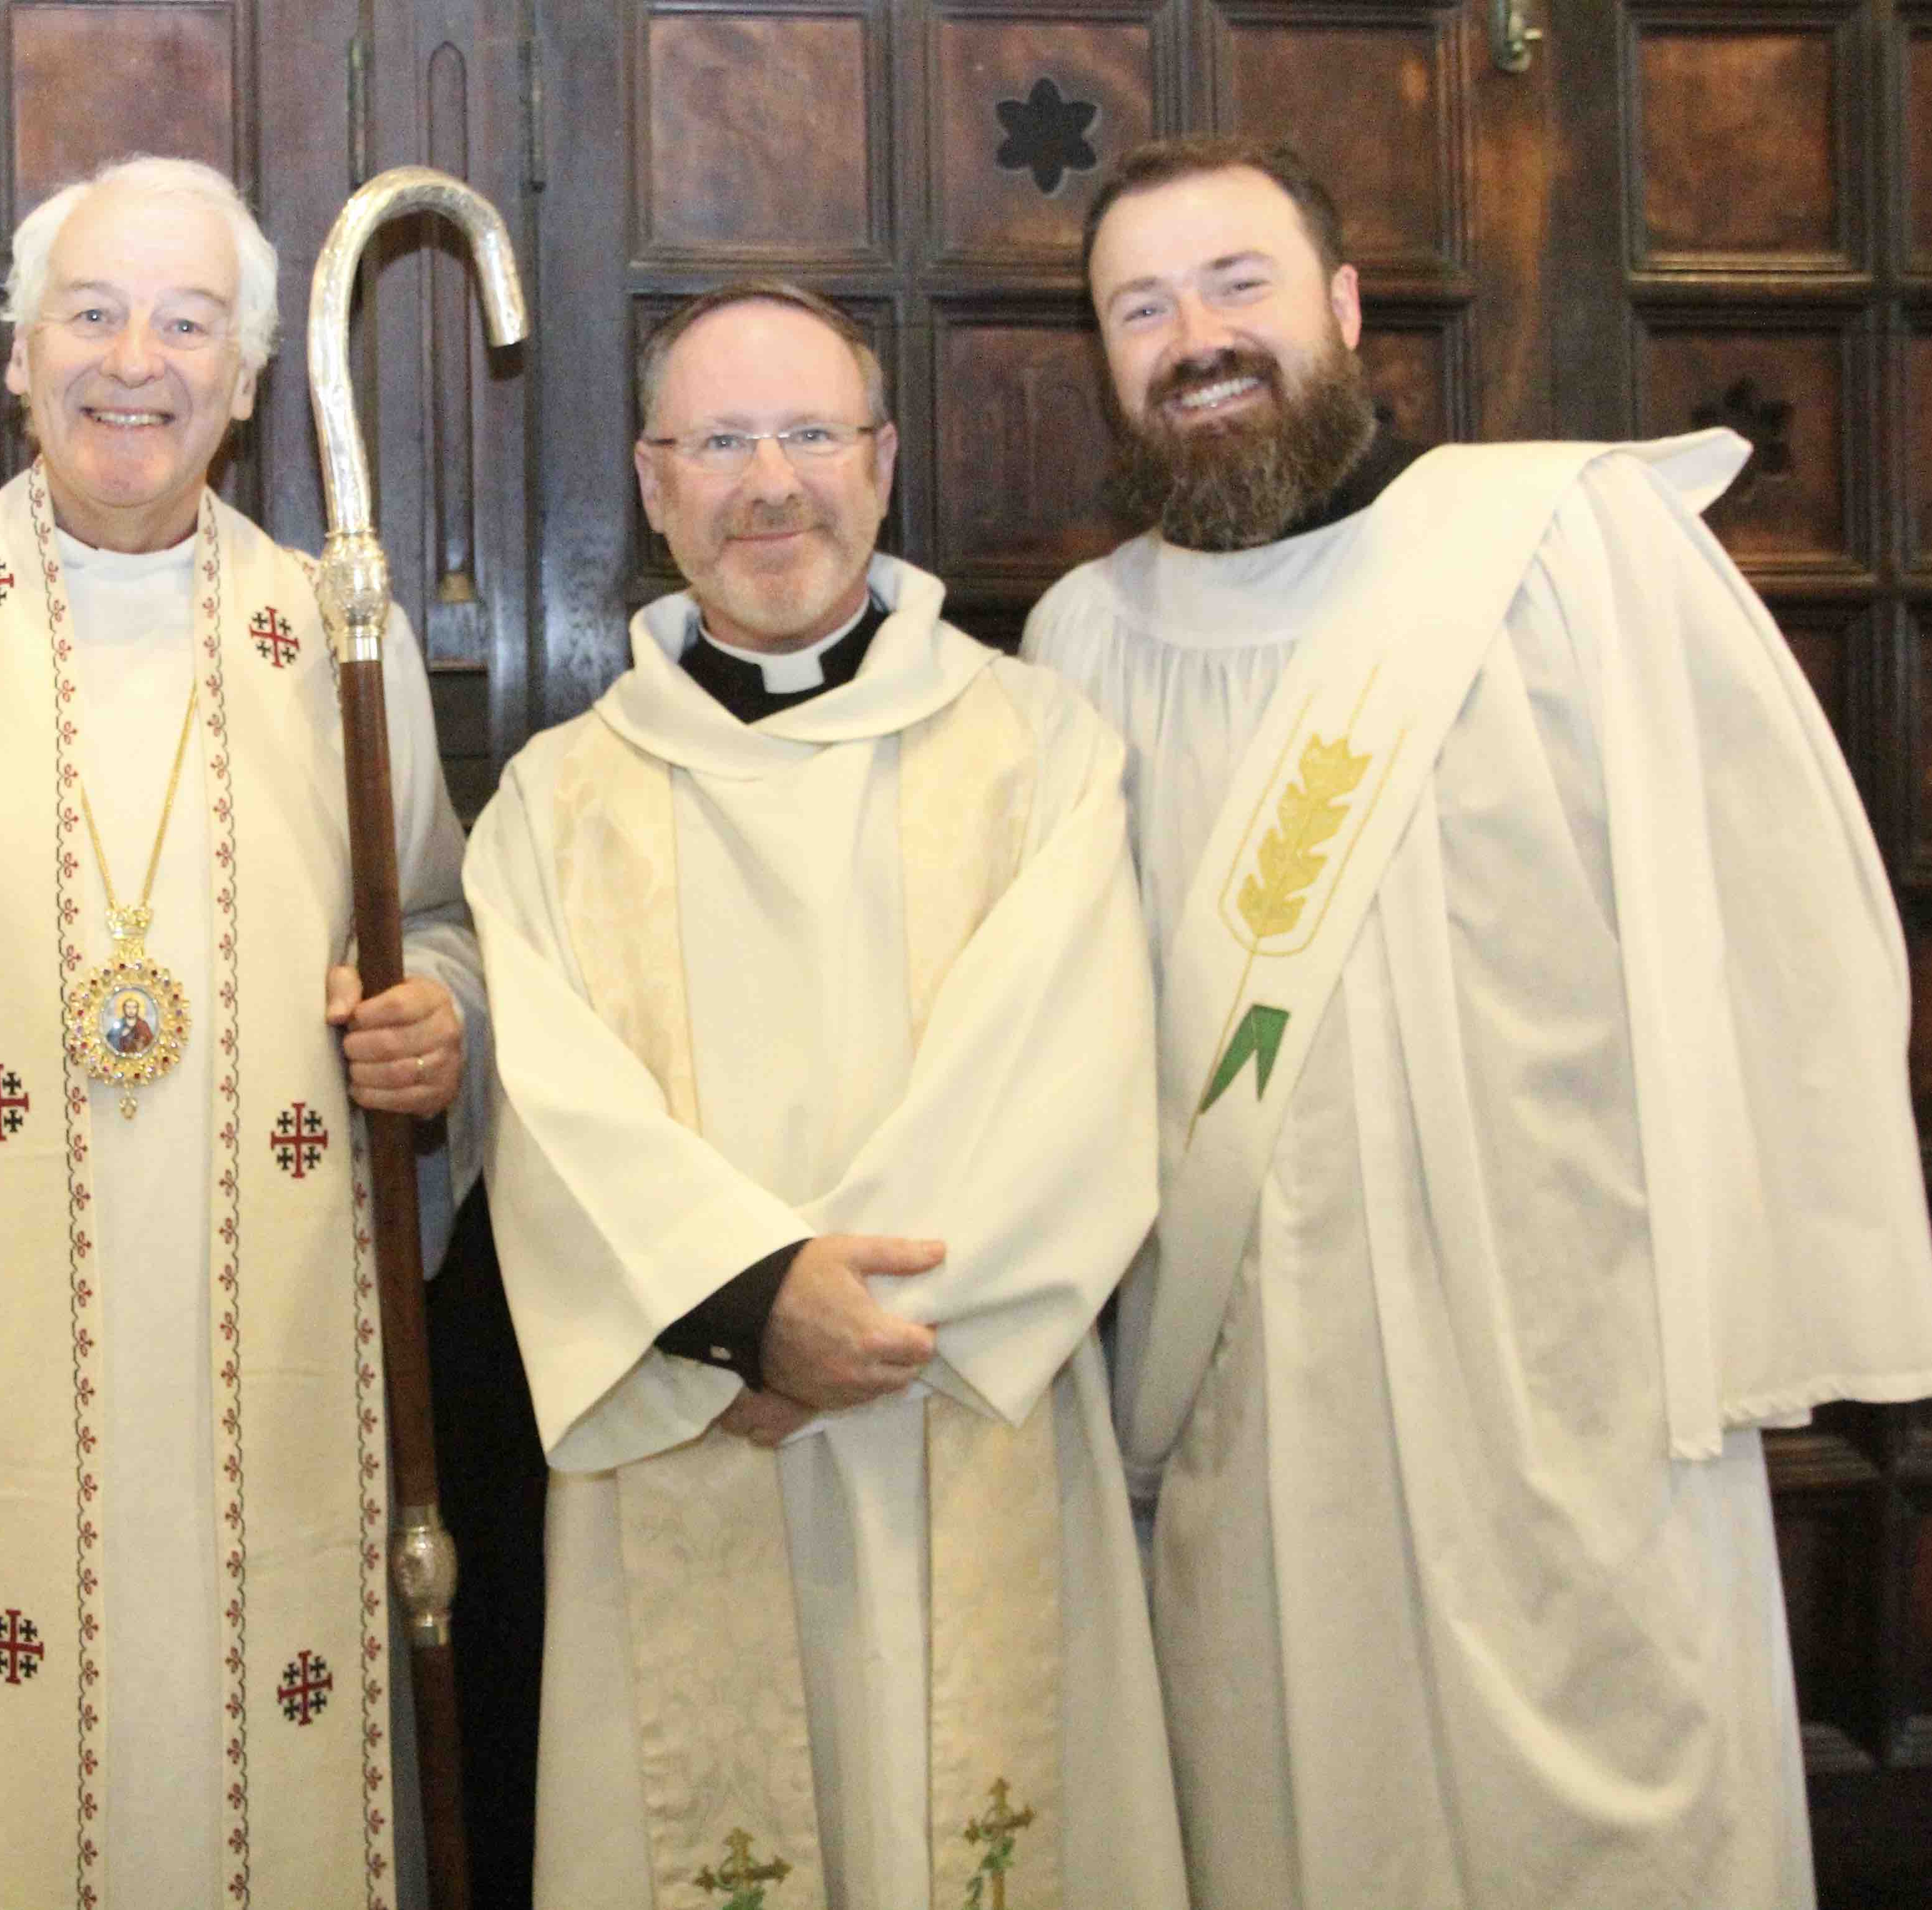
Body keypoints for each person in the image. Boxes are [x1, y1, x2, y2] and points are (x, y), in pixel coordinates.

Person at [1025, 135, 1932, 1910]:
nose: (1194, 336)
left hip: (1567, 1386)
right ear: (1104, 361)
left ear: (1344, 308)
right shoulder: (1082, 643)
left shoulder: (1563, 548)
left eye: (1236, 284)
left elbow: (1779, 935)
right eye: (1141, 307)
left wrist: (1752, 1301)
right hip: (1253, 1413)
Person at [0, 153, 485, 1908]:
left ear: (244, 380)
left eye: (186, 322)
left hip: (273, 1362)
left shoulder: (334, 635)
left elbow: (432, 923)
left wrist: (442, 1019)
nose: (131, 361)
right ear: (14, 356)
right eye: (89, 313)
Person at [467, 279, 1186, 1909]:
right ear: (653, 486)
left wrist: (834, 1328)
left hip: (957, 1409)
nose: (767, 484)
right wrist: (737, 1313)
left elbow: (1066, 1077)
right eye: (718, 442)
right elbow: (559, 1130)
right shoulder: (557, 801)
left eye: (805, 434)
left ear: (880, 462)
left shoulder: (1034, 747)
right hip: (694, 1414)